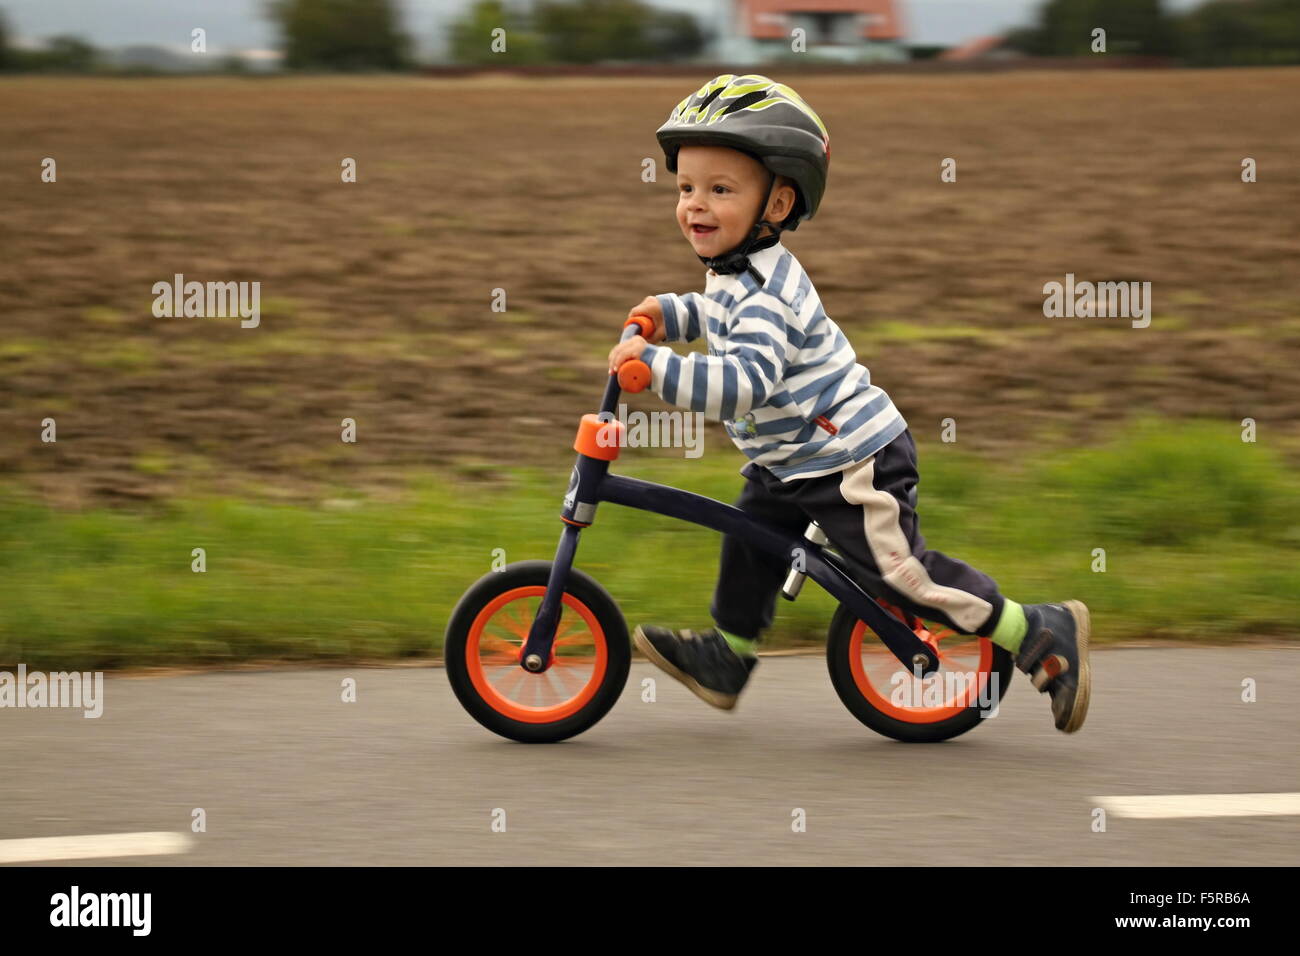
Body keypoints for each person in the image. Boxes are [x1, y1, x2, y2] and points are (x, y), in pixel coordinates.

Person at [606, 74, 1090, 732]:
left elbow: (742, 381)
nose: (696, 204)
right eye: (687, 187)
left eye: (720, 190)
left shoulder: (771, 293)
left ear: (777, 203)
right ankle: (730, 656)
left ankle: (1038, 630)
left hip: (851, 458)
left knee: (903, 578)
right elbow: (718, 314)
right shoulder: (736, 272)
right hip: (793, 456)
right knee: (750, 540)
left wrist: (655, 368)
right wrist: (670, 314)